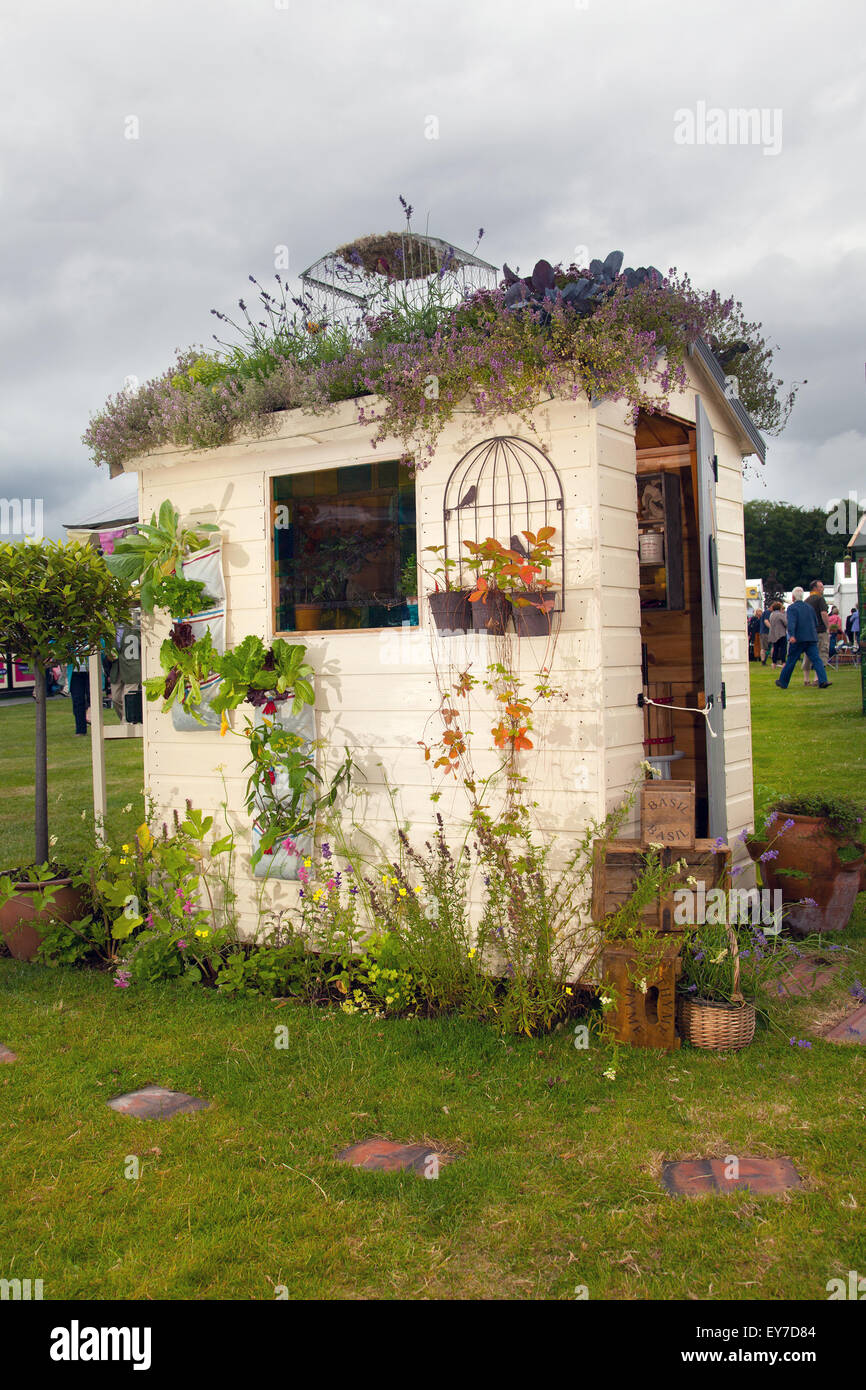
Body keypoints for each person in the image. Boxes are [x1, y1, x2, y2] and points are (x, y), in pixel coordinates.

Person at [775, 587, 832, 689]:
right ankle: (823, 680)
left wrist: (792, 635)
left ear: (792, 597)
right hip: (811, 637)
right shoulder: (810, 608)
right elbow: (815, 622)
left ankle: (783, 682)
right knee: (817, 660)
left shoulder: (792, 608)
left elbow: (791, 623)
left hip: (798, 638)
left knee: (791, 660)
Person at [802, 580, 830, 686]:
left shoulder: (806, 600)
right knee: (821, 654)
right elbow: (823, 613)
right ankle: (817, 678)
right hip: (820, 631)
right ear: (815, 588)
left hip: (809, 632)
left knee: (808, 655)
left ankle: (806, 679)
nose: (822, 589)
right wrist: (828, 627)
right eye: (821, 587)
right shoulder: (820, 599)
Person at [68, 655, 90, 735]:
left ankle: (96, 725)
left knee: (93, 698)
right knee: (77, 700)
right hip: (75, 671)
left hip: (91, 670)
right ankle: (80, 730)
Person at [766, 601, 787, 666]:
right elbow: (786, 623)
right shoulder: (780, 614)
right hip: (781, 633)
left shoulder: (771, 614)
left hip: (773, 634)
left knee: (775, 648)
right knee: (783, 648)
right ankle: (783, 662)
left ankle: (774, 662)